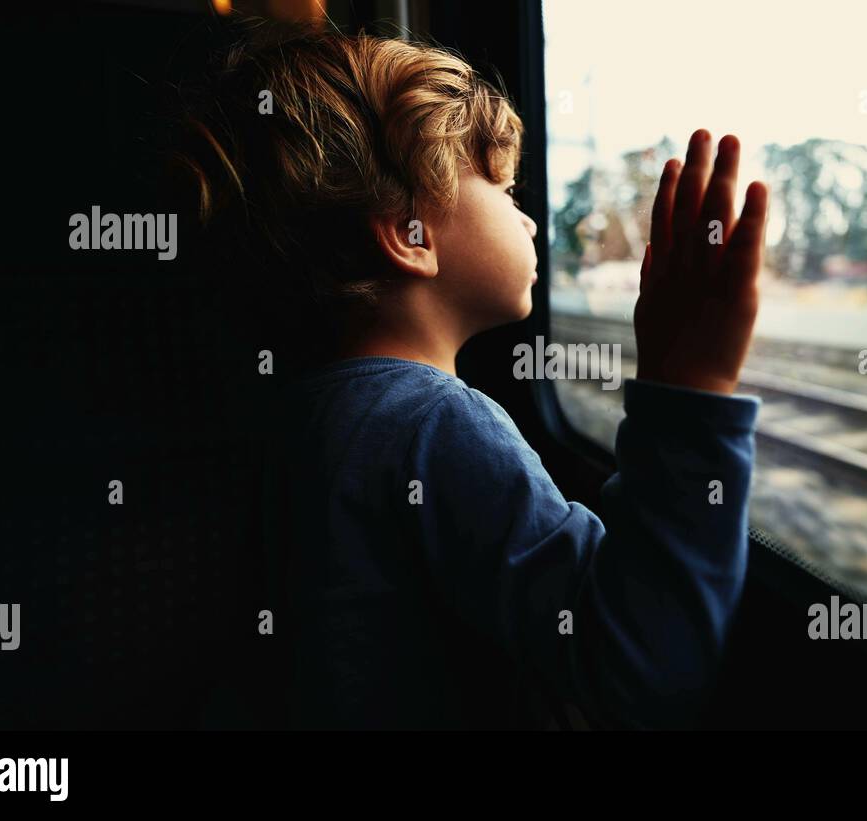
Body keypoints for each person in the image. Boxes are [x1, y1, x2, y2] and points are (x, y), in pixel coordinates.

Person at [174, 25, 768, 729]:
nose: (529, 223)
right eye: (504, 190)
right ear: (409, 235)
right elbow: (642, 664)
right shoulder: (432, 424)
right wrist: (687, 385)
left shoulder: (299, 413)